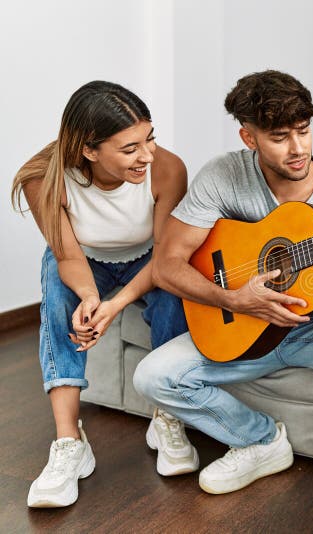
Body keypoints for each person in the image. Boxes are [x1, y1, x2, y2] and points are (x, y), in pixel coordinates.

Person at [132, 69, 313, 534]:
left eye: (304, 131)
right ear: (248, 137)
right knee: (151, 376)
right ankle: (262, 439)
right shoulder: (224, 175)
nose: (298, 148)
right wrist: (235, 298)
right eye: (280, 137)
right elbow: (167, 264)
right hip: (247, 328)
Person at [11, 81, 190, 508]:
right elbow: (67, 256)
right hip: (85, 261)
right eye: (129, 149)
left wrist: (115, 304)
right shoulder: (43, 178)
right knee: (57, 290)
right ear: (90, 150)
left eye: (150, 138)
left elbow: (167, 260)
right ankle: (70, 443)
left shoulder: (168, 170)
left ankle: (167, 417)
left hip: (151, 260)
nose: (146, 155)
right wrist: (90, 298)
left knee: (175, 294)